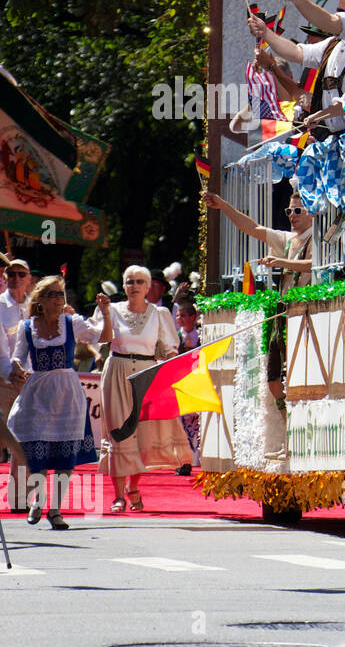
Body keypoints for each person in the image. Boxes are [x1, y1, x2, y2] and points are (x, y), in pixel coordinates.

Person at [9, 278, 112, 528]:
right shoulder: (26, 327)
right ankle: (38, 502)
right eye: (52, 294)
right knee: (37, 454)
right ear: (41, 300)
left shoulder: (71, 323)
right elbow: (17, 358)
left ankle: (55, 511)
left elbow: (104, 337)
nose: (58, 298)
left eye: (60, 294)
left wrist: (106, 313)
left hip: (67, 394)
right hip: (38, 393)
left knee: (65, 456)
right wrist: (17, 368)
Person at [203, 188, 313, 408]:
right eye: (289, 211)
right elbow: (252, 228)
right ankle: (286, 424)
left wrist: (282, 263)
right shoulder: (289, 239)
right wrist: (223, 206)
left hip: (304, 313)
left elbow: (314, 265)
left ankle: (294, 427)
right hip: (284, 312)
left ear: (311, 213)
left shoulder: (316, 238)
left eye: (298, 210)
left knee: (298, 374)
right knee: (274, 380)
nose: (292, 215)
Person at [97, 266, 186, 513]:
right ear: (124, 286)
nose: (134, 286)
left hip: (147, 373)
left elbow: (170, 348)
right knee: (118, 432)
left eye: (139, 282)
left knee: (142, 434)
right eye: (129, 282)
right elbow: (100, 339)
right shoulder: (111, 310)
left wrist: (174, 363)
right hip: (117, 371)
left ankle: (133, 487)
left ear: (148, 287)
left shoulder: (160, 313)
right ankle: (117, 495)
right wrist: (103, 315)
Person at [248, 0, 345, 136]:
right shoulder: (332, 44)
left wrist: (272, 67)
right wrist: (265, 32)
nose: (338, 16)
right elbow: (296, 52)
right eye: (338, 11)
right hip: (329, 138)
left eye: (343, 12)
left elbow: (306, 98)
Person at [0, 257, 30, 489]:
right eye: (11, 274)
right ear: (5, 277)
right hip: (4, 379)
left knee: (24, 436)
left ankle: (19, 495)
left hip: (29, 380)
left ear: (29, 279)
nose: (16, 278)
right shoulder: (0, 305)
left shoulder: (35, 306)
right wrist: (12, 371)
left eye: (21, 274)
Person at [175, 301, 201, 476]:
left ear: (193, 317)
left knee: (195, 422)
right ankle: (184, 461)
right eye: (178, 315)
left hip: (197, 380)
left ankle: (197, 457)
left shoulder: (201, 334)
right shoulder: (175, 336)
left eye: (183, 315)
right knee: (181, 423)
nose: (179, 318)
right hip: (181, 381)